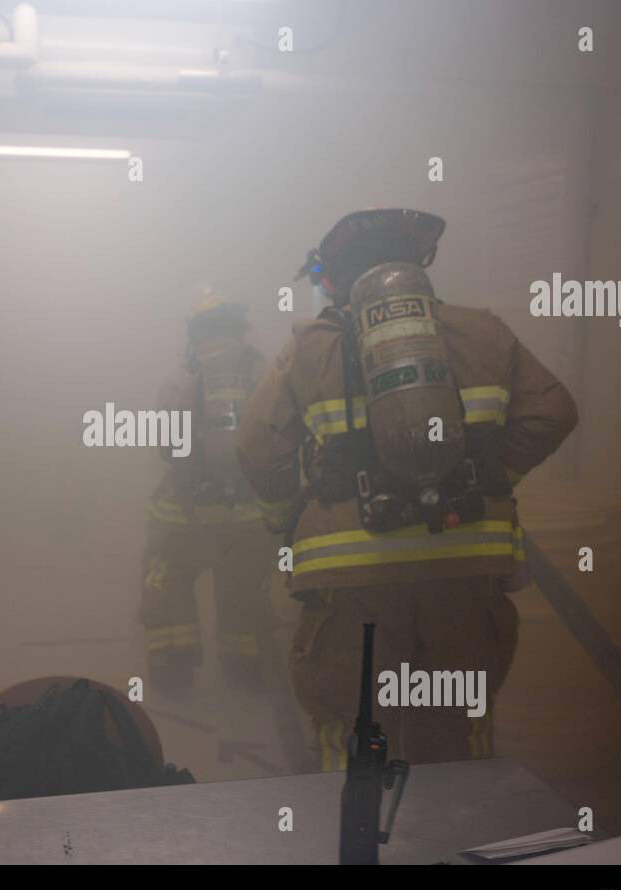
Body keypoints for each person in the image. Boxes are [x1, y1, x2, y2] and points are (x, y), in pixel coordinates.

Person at [236, 209, 578, 769]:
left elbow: (256, 446)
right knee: (458, 728)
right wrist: (490, 478)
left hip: (352, 577)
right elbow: (555, 411)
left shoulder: (310, 345)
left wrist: (287, 515)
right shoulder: (484, 331)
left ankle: (353, 844)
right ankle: (462, 842)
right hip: (465, 565)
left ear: (339, 278)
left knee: (355, 726)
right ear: (419, 263)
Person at [138, 293, 277, 690]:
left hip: (185, 516)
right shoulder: (260, 371)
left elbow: (166, 446)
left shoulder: (184, 375)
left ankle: (172, 666)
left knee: (166, 581)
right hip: (247, 517)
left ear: (195, 332)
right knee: (241, 588)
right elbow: (275, 433)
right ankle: (246, 669)